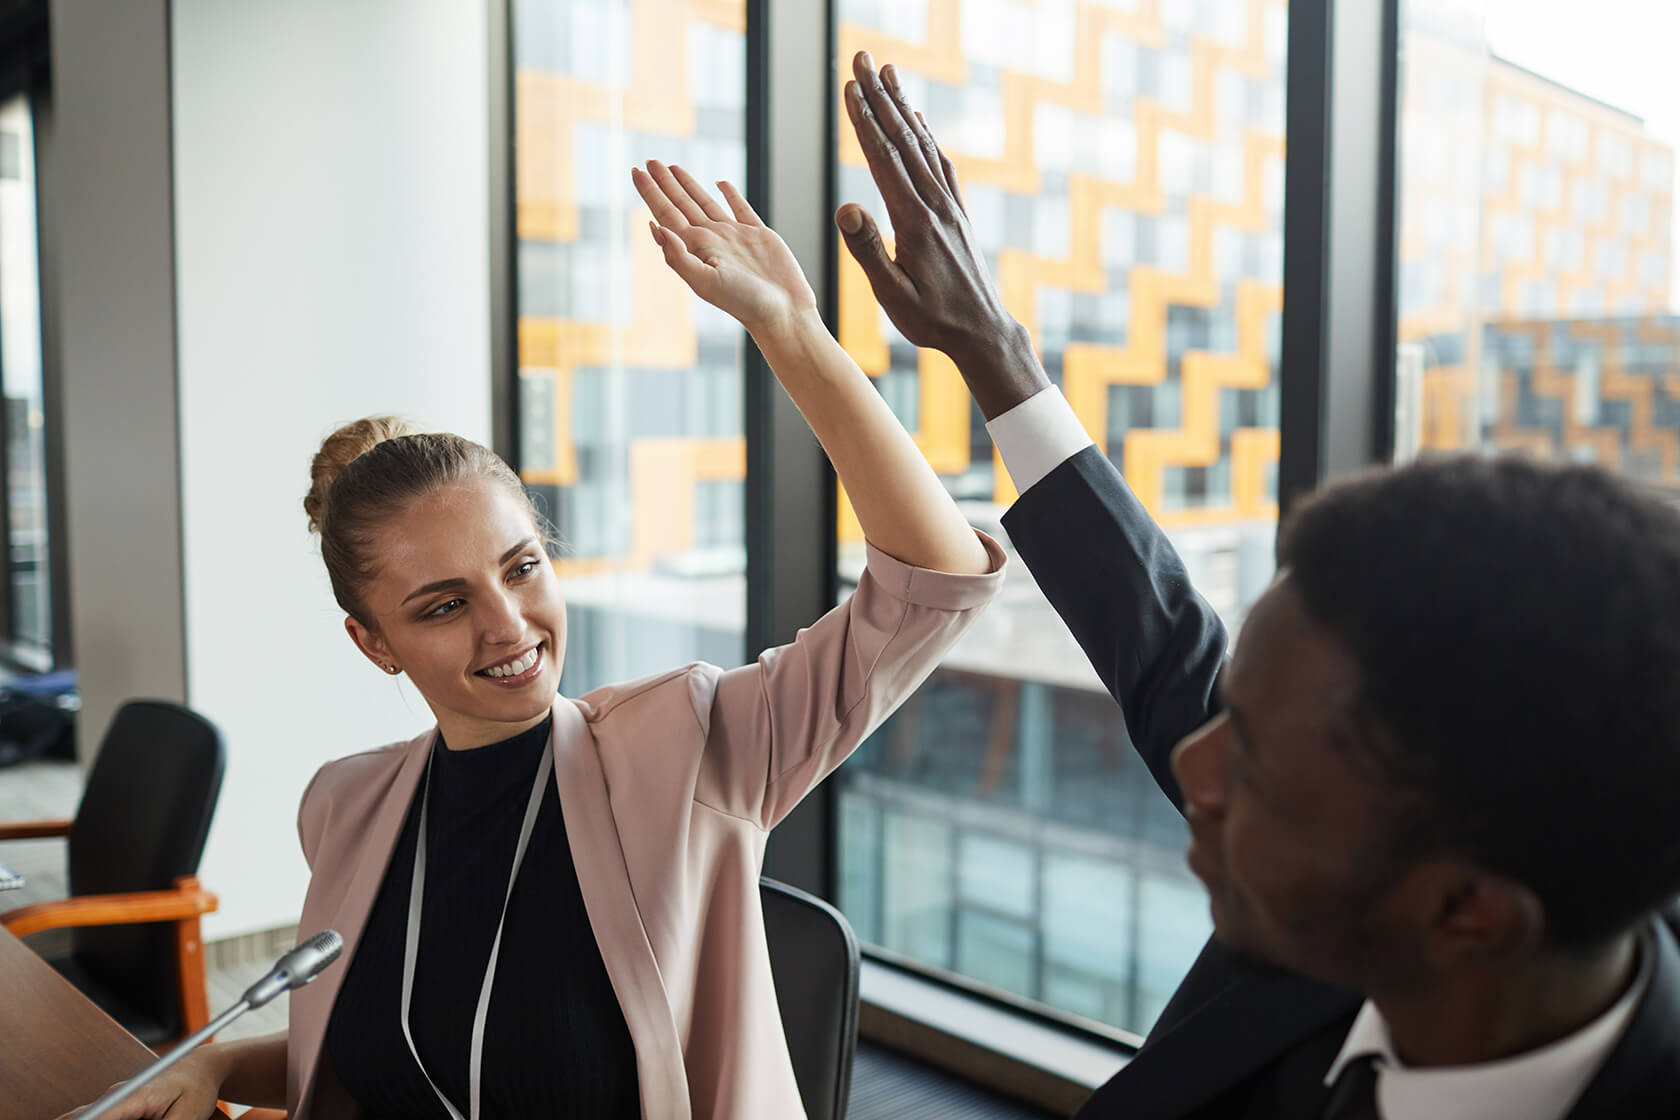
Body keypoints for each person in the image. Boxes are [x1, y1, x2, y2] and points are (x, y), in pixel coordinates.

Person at [836, 49, 1680, 1119]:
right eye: (1233, 713)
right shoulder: (1361, 904)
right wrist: (996, 356)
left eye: (1259, 765)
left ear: (1466, 909)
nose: (1192, 762)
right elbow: (1168, 651)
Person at [69, 162, 1003, 1120]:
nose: (508, 626)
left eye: (521, 569)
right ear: (373, 642)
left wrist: (790, 328)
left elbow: (928, 582)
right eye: (442, 606)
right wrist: (217, 1065)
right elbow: (379, 1048)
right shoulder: (345, 807)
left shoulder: (687, 747)